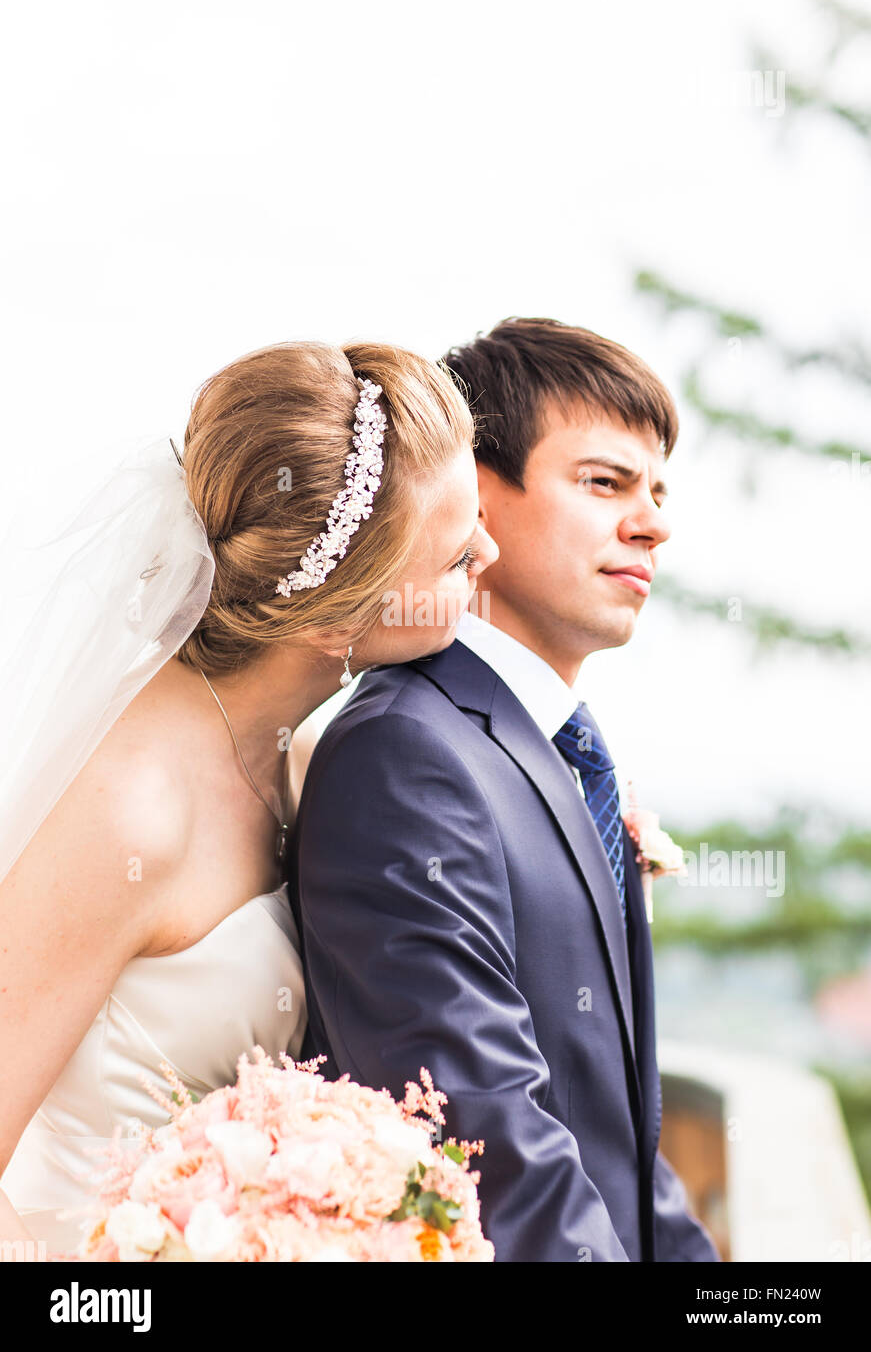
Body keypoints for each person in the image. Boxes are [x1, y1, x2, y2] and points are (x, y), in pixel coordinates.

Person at [0, 338, 497, 1254]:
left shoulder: (303, 761)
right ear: (340, 615)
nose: (492, 554)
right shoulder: (128, 810)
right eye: (460, 556)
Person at [290, 316, 721, 1262]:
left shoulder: (564, 748)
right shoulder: (405, 755)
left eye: (655, 490)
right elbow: (482, 1144)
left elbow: (619, 1139)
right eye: (604, 483)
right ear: (474, 501)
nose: (651, 521)